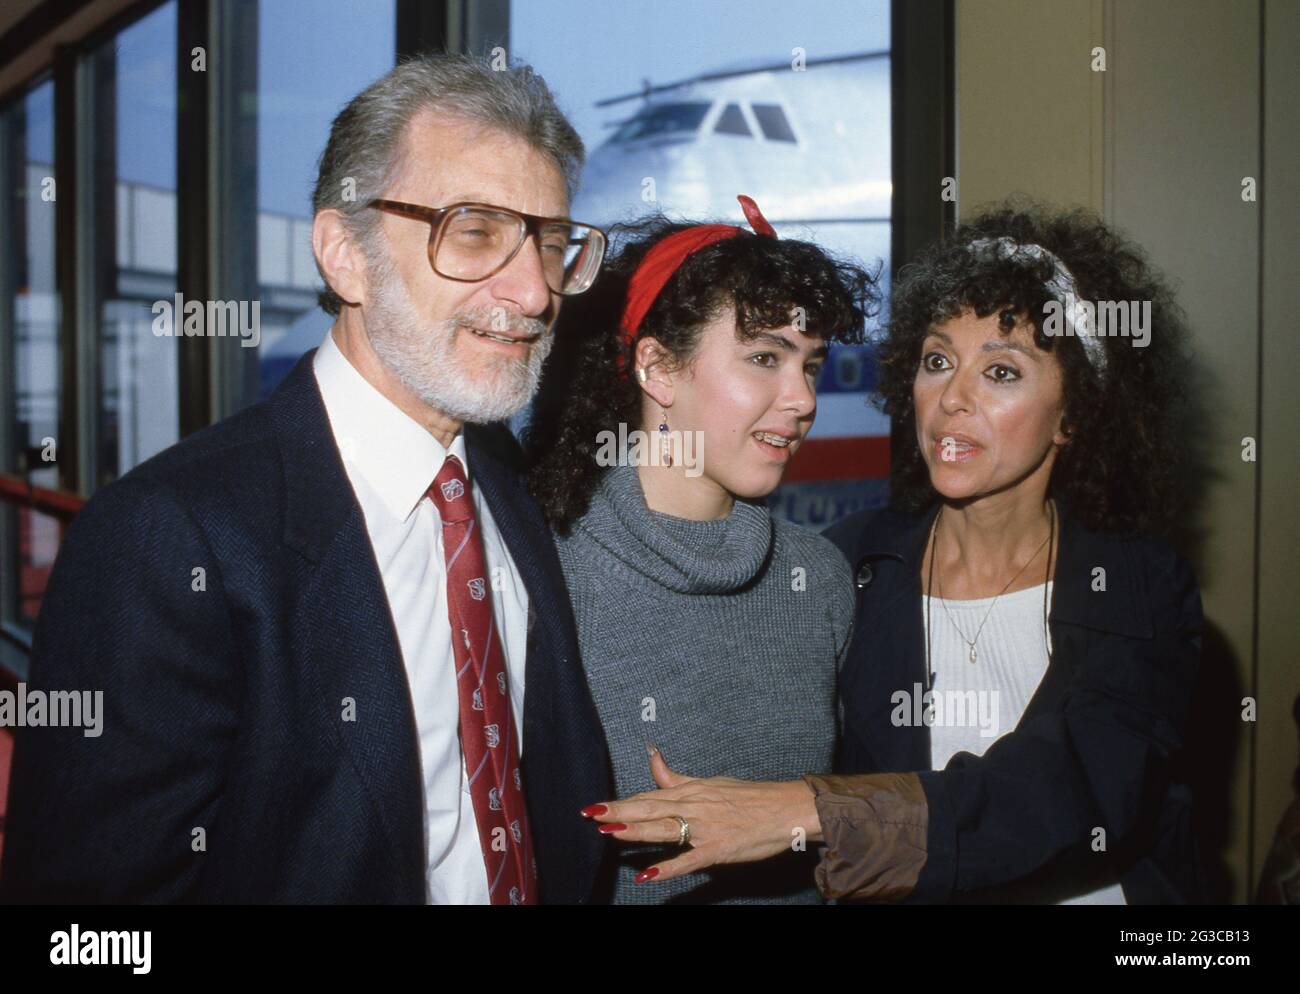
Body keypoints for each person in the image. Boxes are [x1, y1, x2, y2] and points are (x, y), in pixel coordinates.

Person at [0, 53, 614, 905]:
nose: (536, 290)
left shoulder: (505, 489)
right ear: (344, 256)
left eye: (550, 242)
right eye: (475, 231)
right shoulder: (166, 536)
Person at [582, 202, 1205, 904]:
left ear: (1075, 414)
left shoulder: (1138, 584)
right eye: (936, 361)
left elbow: (1073, 790)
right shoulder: (847, 568)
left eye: (1001, 372)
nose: (952, 400)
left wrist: (809, 810)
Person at [525, 198, 879, 903]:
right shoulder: (539, 571)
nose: (802, 398)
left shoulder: (821, 577)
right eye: (763, 358)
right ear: (657, 368)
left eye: (809, 365)